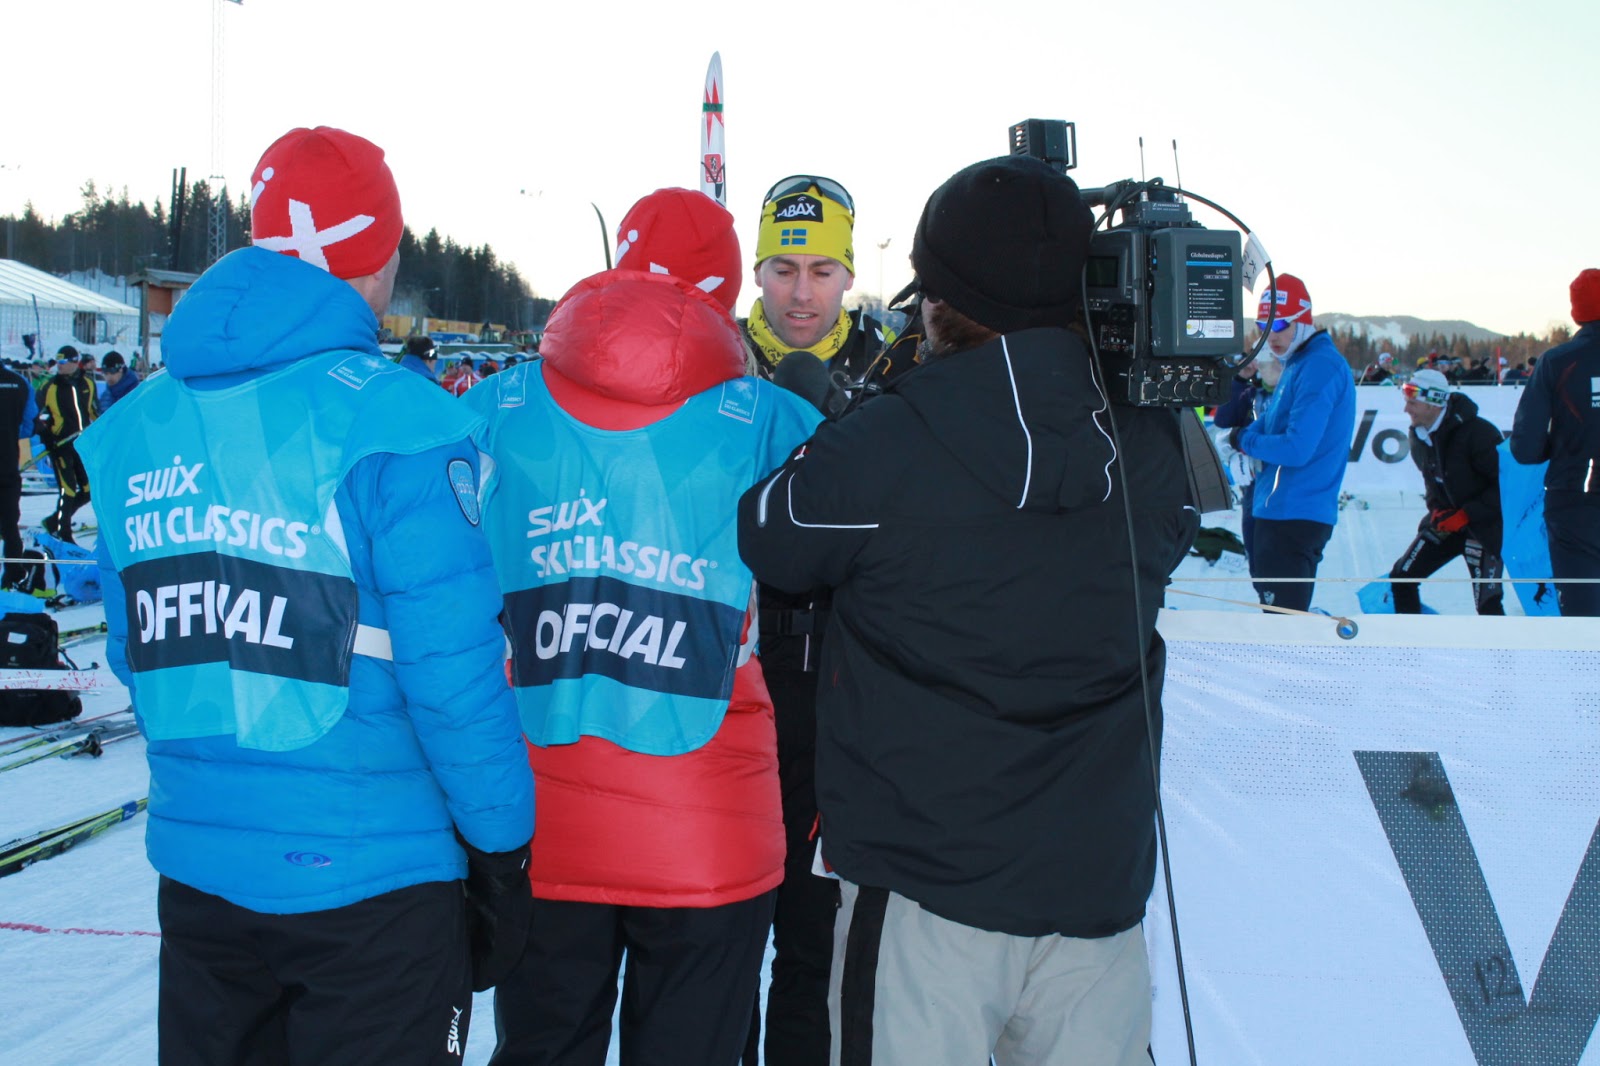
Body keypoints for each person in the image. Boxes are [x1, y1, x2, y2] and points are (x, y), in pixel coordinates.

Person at [77, 125, 536, 1066]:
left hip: (204, 878)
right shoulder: (404, 421)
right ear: (379, 258)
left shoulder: (139, 426)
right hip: (374, 883)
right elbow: (454, 679)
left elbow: (137, 648)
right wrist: (503, 851)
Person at [739, 156, 1198, 1066]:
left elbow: (774, 537)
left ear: (936, 297)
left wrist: (840, 418)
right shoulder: (1143, 436)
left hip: (927, 896)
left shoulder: (889, 438)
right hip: (1094, 894)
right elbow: (1173, 531)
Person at [468, 187, 819, 1065]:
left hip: (540, 814)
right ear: (726, 292)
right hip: (709, 824)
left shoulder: (495, 407)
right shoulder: (773, 420)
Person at [740, 174, 891, 1066]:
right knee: (713, 947)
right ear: (758, 269)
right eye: (784, 268)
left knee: (811, 943)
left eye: (823, 270)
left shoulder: (892, 369)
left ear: (848, 275)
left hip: (834, 700)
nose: (802, 293)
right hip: (719, 688)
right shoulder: (708, 355)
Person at [1227, 274, 1357, 613]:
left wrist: (1244, 440)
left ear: (1303, 320)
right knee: (1278, 618)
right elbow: (1274, 429)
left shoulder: (1319, 366)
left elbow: (1297, 449)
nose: (1271, 336)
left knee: (1283, 627)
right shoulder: (1300, 363)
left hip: (1294, 513)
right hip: (1279, 507)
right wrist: (1242, 443)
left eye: (1280, 324)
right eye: (1263, 326)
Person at [1510, 268, 1600, 616]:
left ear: (1576, 310)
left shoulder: (1556, 361)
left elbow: (1525, 448)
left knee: (1583, 623)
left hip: (1574, 502)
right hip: (1574, 500)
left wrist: (1561, 444)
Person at [1387, 369, 1505, 614]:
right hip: (1449, 525)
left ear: (1434, 403)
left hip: (1482, 528)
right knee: (1401, 578)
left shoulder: (1479, 433)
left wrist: (1467, 514)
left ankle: (1502, 653)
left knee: (1487, 602)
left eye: (1412, 403)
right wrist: (1437, 510)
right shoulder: (1419, 434)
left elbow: (1505, 489)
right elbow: (1431, 482)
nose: (1406, 410)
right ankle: (1410, 650)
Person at [1213, 349, 1283, 562]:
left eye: (1272, 362)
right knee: (1254, 536)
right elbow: (1223, 420)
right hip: (1255, 475)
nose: (1265, 367)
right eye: (1261, 362)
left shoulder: (1293, 391)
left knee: (1281, 539)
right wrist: (1240, 378)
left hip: (1287, 474)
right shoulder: (1250, 391)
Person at [35, 345, 97, 542]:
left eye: (63, 362)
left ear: (74, 362)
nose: (59, 366)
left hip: (82, 445)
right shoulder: (49, 387)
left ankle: (54, 521)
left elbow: (94, 413)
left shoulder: (88, 383)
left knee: (88, 491)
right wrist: (47, 436)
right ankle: (64, 533)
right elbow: (35, 416)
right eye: (58, 362)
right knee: (68, 490)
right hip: (61, 446)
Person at [0, 356, 37, 589]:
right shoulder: (20, 382)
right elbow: (29, 425)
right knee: (10, 525)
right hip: (7, 465)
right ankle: (13, 577)